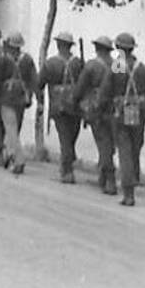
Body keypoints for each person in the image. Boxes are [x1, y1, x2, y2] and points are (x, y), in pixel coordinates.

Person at [99, 31, 145, 207]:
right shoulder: (142, 67)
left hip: (121, 112)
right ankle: (133, 178)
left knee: (125, 151)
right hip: (139, 112)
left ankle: (128, 192)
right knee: (135, 148)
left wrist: (101, 106)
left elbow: (105, 90)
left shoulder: (118, 65)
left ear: (119, 48)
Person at [71, 36, 118, 195]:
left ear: (97, 48)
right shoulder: (118, 65)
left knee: (103, 144)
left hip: (98, 108)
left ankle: (109, 179)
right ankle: (103, 176)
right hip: (116, 108)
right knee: (109, 144)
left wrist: (75, 101)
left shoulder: (91, 66)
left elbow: (80, 87)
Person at [0, 32, 38, 174]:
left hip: (6, 98)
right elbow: (34, 80)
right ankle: (9, 155)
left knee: (11, 129)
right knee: (15, 129)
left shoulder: (1, 59)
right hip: (21, 99)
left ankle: (18, 159)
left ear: (8, 44)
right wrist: (36, 97)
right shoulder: (27, 59)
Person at [36, 30, 84, 183]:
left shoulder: (50, 63)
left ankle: (67, 170)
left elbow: (39, 84)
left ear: (58, 45)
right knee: (71, 137)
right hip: (75, 105)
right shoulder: (78, 63)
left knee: (65, 138)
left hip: (58, 105)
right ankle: (68, 162)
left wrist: (41, 101)